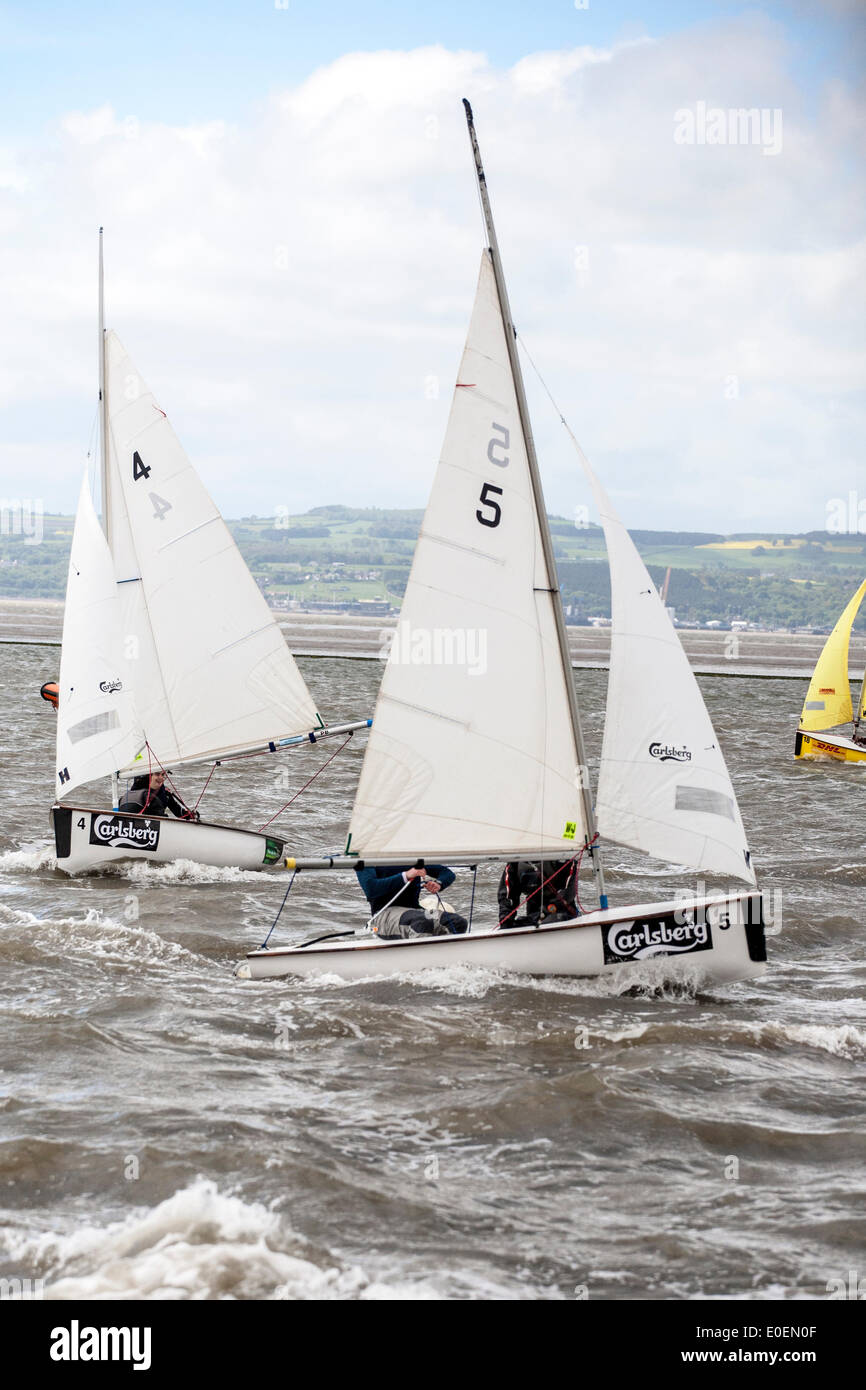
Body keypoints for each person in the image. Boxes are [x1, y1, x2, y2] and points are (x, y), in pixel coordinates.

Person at [356, 863, 468, 938]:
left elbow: (447, 873)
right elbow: (371, 889)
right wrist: (406, 876)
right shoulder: (366, 858)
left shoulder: (408, 856)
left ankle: (449, 963)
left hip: (415, 912)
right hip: (383, 916)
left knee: (457, 922)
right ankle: (423, 967)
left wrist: (439, 883)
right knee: (422, 922)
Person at [497, 859, 577, 929]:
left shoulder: (563, 858)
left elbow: (568, 893)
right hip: (533, 912)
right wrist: (505, 917)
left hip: (562, 911)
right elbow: (507, 894)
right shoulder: (515, 862)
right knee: (509, 923)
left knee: (553, 918)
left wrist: (545, 911)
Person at [118, 770, 199, 820]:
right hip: (139, 829)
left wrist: (190, 815)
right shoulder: (136, 792)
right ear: (148, 776)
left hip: (155, 829)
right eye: (157, 774)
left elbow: (178, 812)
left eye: (163, 775)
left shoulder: (165, 794)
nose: (161, 778)